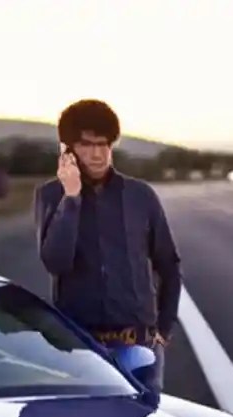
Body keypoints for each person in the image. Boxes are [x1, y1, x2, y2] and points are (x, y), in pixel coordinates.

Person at [32, 99, 182, 392]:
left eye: (104, 144)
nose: (98, 154)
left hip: (139, 346)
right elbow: (56, 262)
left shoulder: (140, 196)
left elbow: (168, 264)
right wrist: (72, 197)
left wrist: (163, 330)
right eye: (87, 145)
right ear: (68, 149)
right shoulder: (51, 196)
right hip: (79, 349)